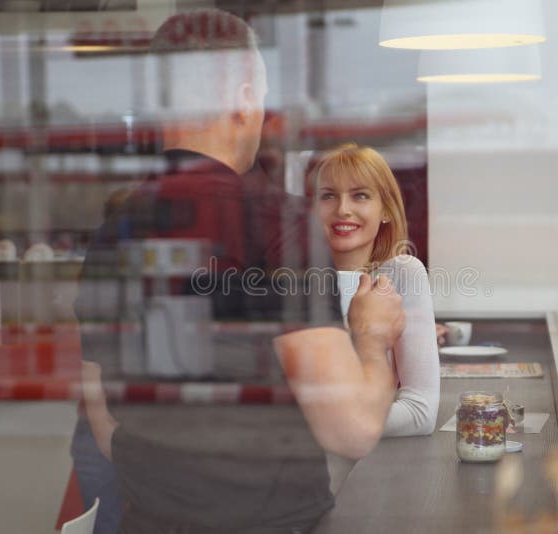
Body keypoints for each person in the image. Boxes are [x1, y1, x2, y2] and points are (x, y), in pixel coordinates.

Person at [73, 10, 404, 533]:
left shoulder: (116, 228)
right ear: (245, 97)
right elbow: (353, 428)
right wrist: (372, 334)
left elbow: (101, 414)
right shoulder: (277, 221)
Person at [311, 143, 440, 437]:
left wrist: (335, 424)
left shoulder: (402, 273)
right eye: (329, 196)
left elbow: (422, 411)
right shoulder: (295, 283)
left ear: (385, 210)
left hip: (373, 468)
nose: (343, 209)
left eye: (360, 195)